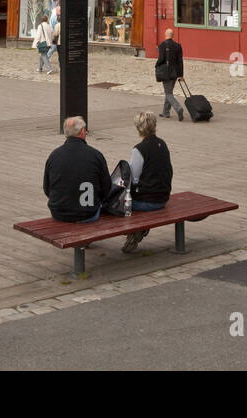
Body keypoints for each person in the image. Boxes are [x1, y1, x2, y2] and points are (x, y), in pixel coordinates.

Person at [43, 115, 111, 223]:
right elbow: (106, 187)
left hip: (58, 213)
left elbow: (47, 189)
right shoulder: (96, 155)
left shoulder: (54, 156)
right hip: (88, 213)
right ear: (83, 132)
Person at [122, 111, 173, 252]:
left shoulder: (139, 149)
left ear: (138, 128)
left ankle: (134, 231)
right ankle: (139, 229)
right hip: (163, 197)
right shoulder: (162, 144)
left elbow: (134, 178)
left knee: (116, 204)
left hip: (147, 201)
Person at [155, 28, 184, 121]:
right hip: (175, 73)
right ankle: (165, 112)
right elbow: (180, 61)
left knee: (168, 93)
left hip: (166, 72)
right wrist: (181, 75)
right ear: (173, 36)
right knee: (169, 92)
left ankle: (178, 108)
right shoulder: (178, 46)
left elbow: (161, 59)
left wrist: (156, 65)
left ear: (165, 34)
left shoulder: (162, 45)